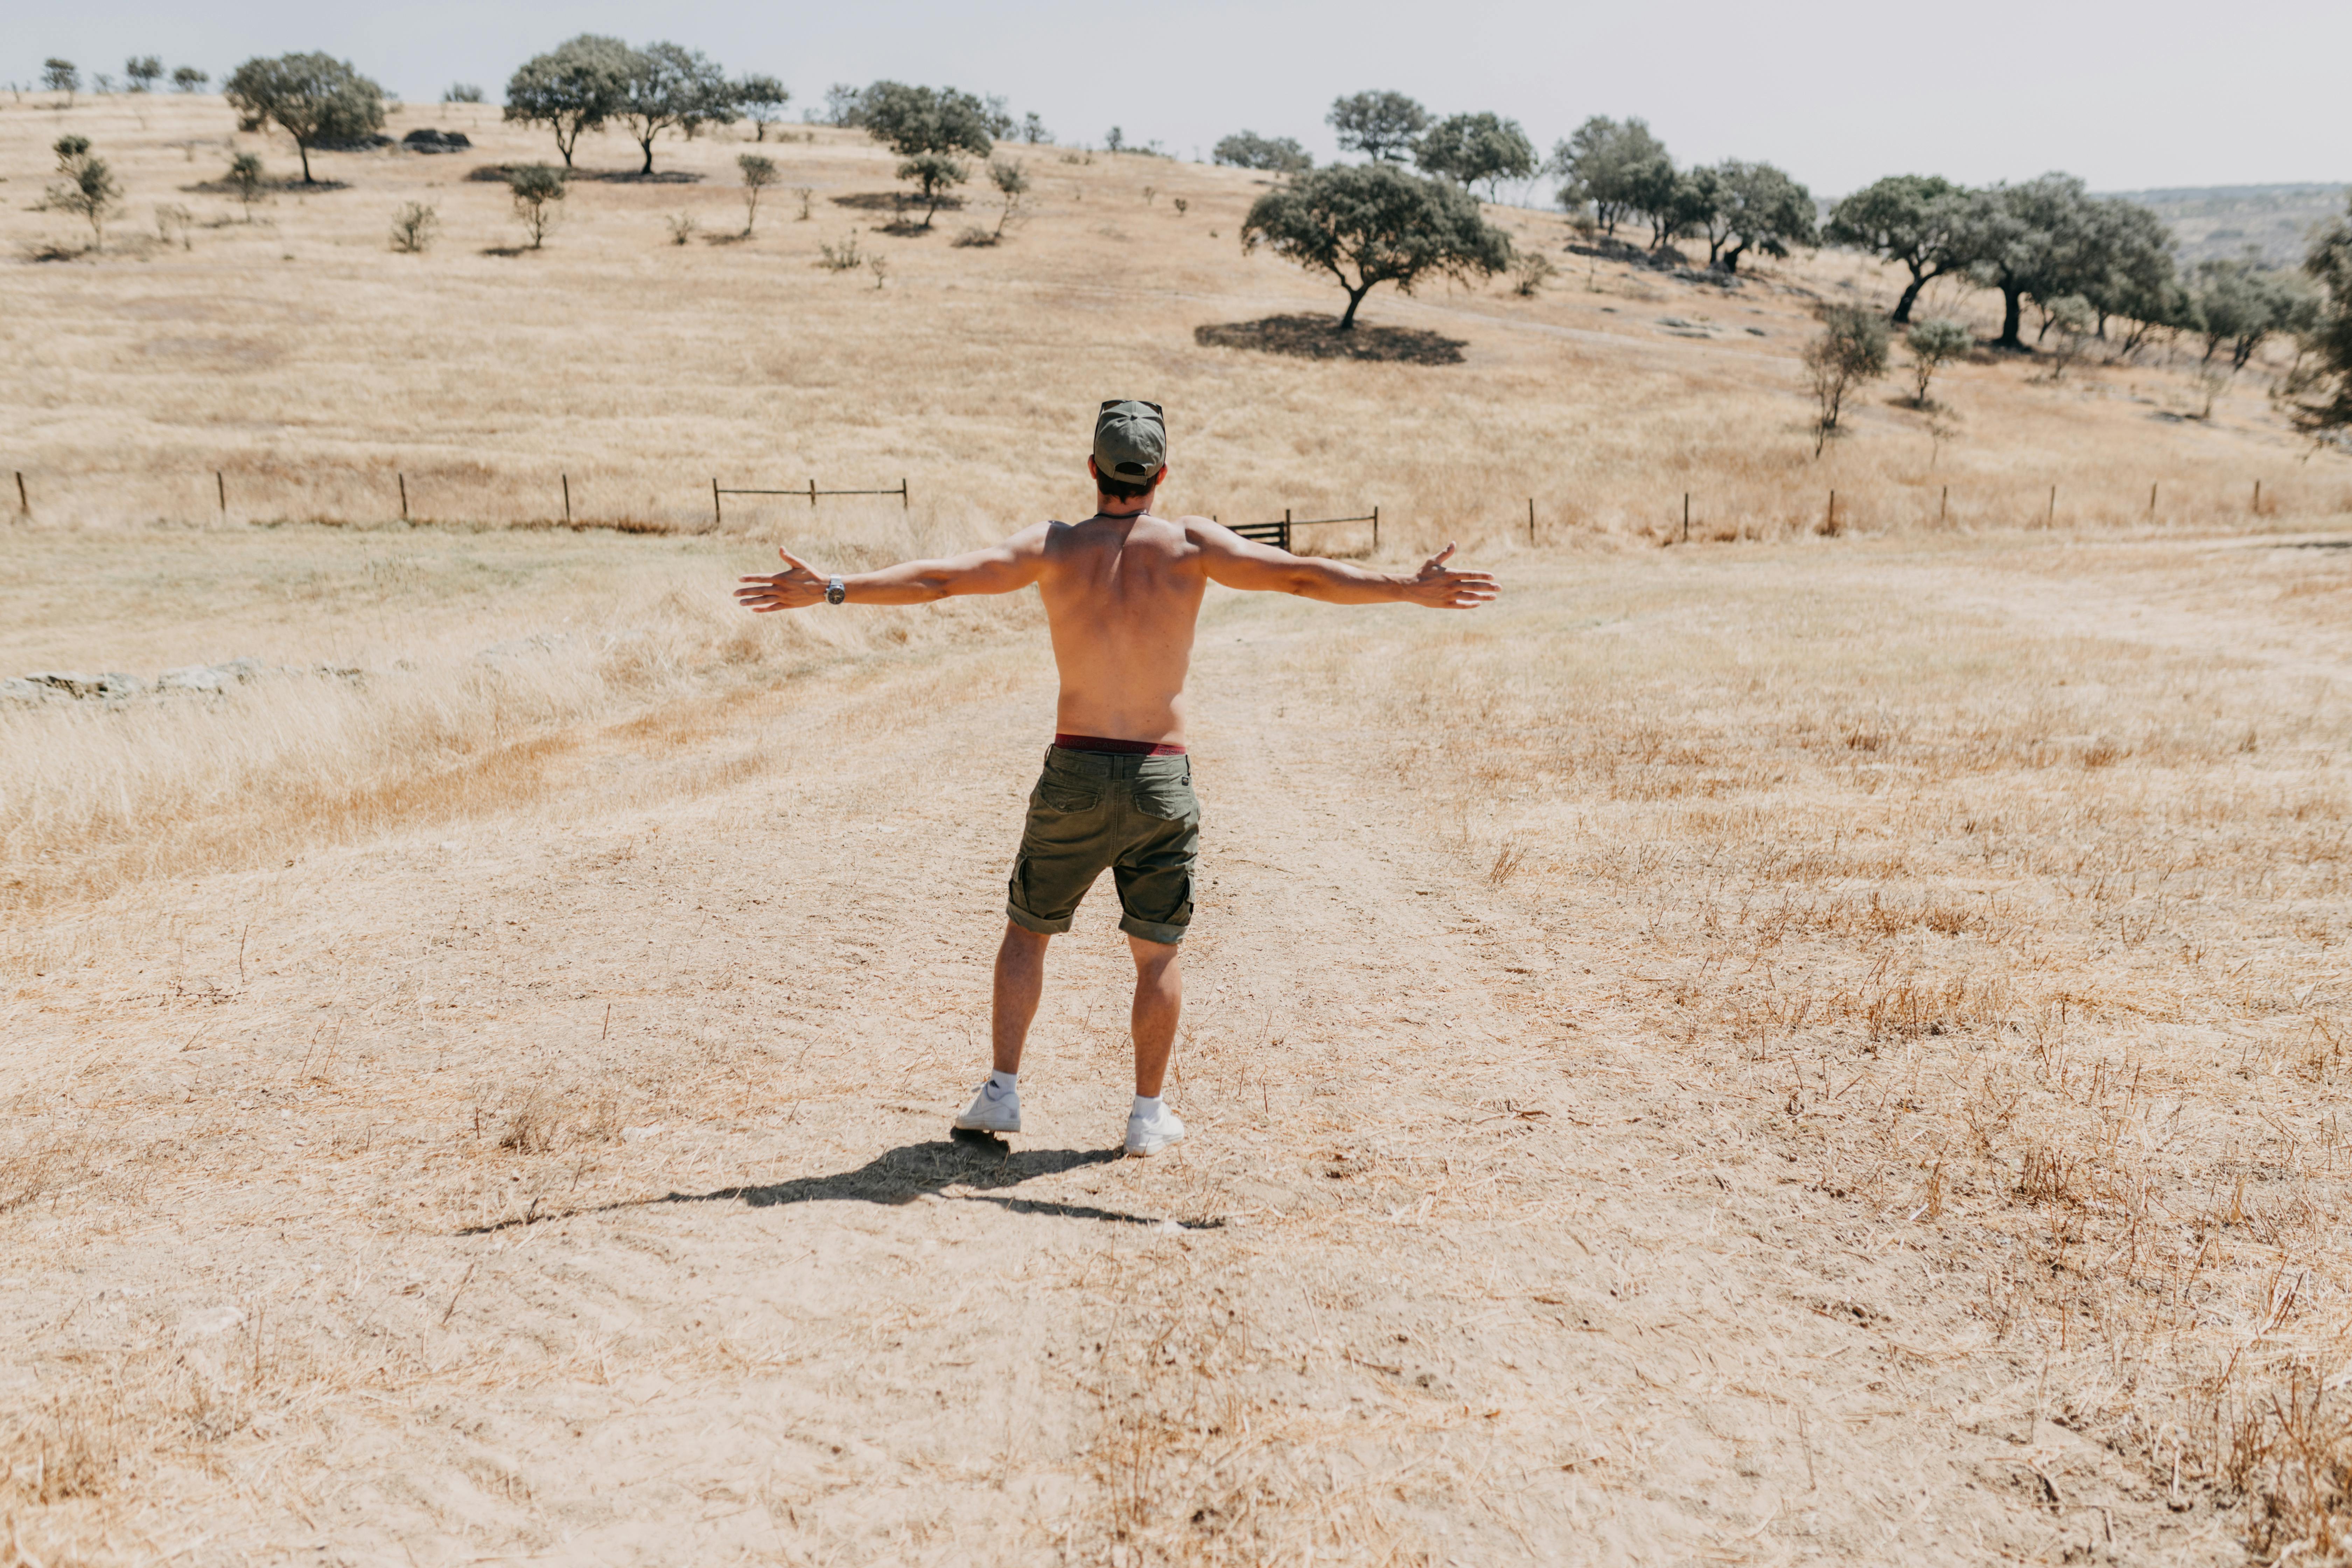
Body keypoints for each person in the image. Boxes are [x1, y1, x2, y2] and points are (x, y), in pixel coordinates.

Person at [734, 400, 1497, 1156]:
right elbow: (1301, 579)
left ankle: (1002, 1091)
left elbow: (939, 581)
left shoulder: (1054, 546)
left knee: (1028, 931)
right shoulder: (1193, 545)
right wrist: (1407, 585)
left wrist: (833, 586)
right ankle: (1146, 1114)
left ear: (1093, 468)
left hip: (1074, 765)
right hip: (1161, 776)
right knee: (1156, 952)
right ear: (1163, 474)